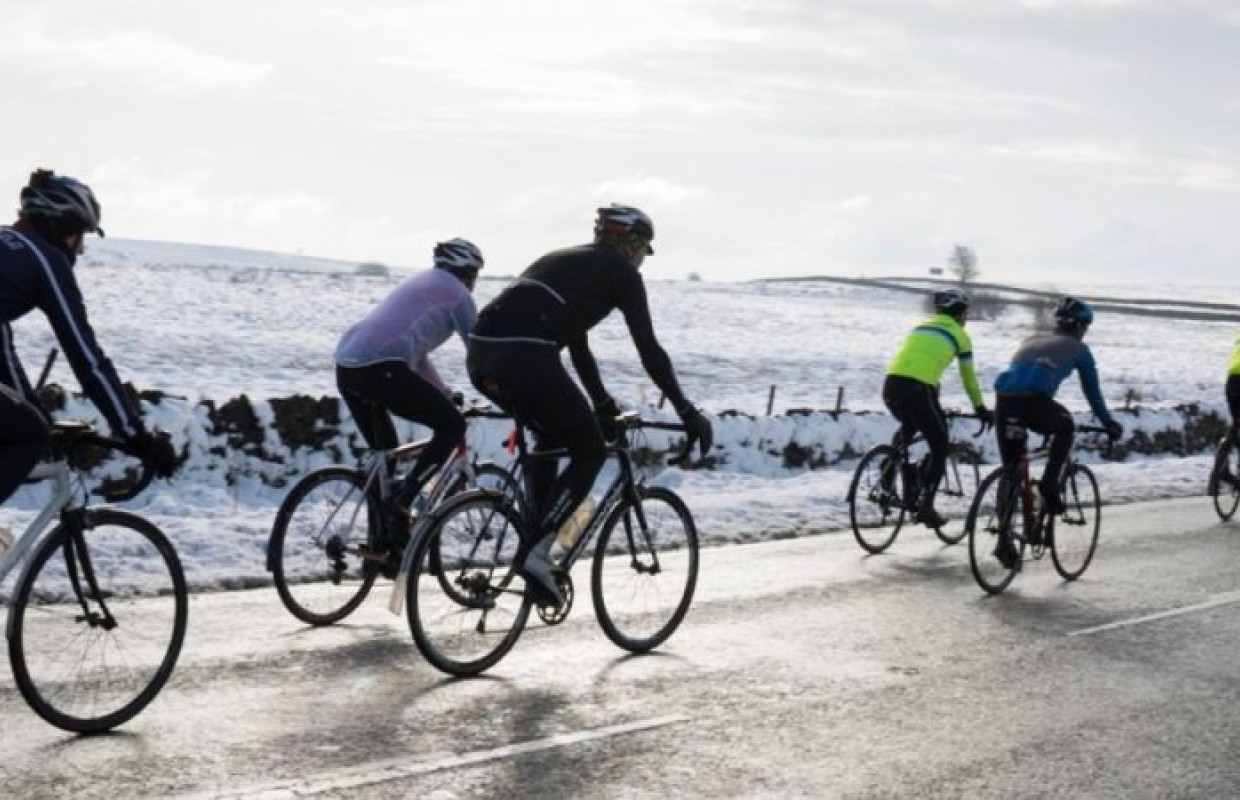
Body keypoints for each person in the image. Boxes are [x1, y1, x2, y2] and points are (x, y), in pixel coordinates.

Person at [467, 204, 712, 606]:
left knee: (547, 437)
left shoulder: (562, 260)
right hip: (528, 355)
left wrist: (600, 403)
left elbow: (577, 345)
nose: (642, 260)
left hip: (481, 355)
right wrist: (686, 411)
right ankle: (538, 552)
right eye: (644, 248)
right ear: (631, 243)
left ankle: (535, 533)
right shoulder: (621, 274)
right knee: (590, 451)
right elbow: (649, 350)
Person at [0, 169, 177, 521]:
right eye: (79, 234)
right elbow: (86, 358)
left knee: (25, 424)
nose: (80, 248)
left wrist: (34, 408)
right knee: (28, 435)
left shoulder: (8, 245)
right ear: (60, 224)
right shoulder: (43, 259)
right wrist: (136, 435)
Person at [334, 237, 482, 569]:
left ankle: (381, 550)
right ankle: (404, 500)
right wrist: (502, 388)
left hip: (348, 368)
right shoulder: (458, 294)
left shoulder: (421, 282)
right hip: (381, 369)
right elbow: (480, 349)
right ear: (468, 273)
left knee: (385, 456)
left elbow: (415, 356)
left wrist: (444, 393)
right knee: (451, 426)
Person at [993, 296, 1123, 541]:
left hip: (1003, 402)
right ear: (1079, 326)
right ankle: (1049, 485)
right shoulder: (1079, 349)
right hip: (1034, 403)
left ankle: (1004, 540)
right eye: (1086, 328)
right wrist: (1107, 422)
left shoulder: (1030, 340)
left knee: (1011, 469)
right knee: (1066, 426)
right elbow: (1092, 391)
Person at [883, 287, 993, 528]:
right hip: (919, 389)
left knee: (910, 425)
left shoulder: (920, 327)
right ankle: (926, 507)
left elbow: (921, 363)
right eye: (965, 313)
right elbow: (968, 378)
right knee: (940, 445)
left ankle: (890, 473)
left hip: (891, 385)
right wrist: (980, 408)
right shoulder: (960, 336)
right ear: (959, 313)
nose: (966, 318)